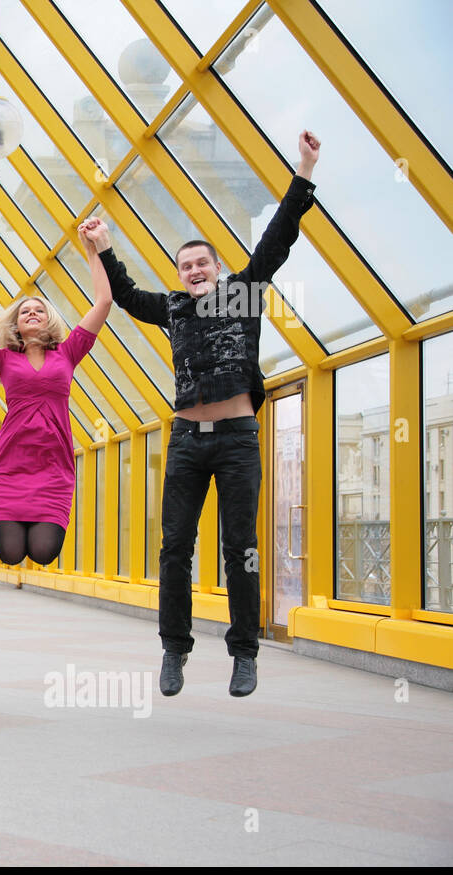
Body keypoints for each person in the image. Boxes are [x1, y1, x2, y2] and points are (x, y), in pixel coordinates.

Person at [89, 130, 321, 698]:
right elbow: (124, 294)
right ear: (179, 275)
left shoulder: (243, 292)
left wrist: (305, 169)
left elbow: (277, 240)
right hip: (189, 440)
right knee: (175, 547)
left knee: (238, 545)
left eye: (201, 263)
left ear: (218, 268)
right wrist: (102, 244)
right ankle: (174, 650)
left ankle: (244, 654)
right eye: (185, 266)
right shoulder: (170, 308)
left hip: (239, 438)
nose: (193, 271)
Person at [0, 221, 110, 566]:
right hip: (10, 466)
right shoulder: (2, 359)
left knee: (43, 552)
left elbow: (104, 302)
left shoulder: (68, 352)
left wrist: (93, 250)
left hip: (54, 467)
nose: (32, 313)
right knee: (9, 553)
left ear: (48, 319)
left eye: (39, 310)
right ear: (15, 324)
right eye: (25, 311)